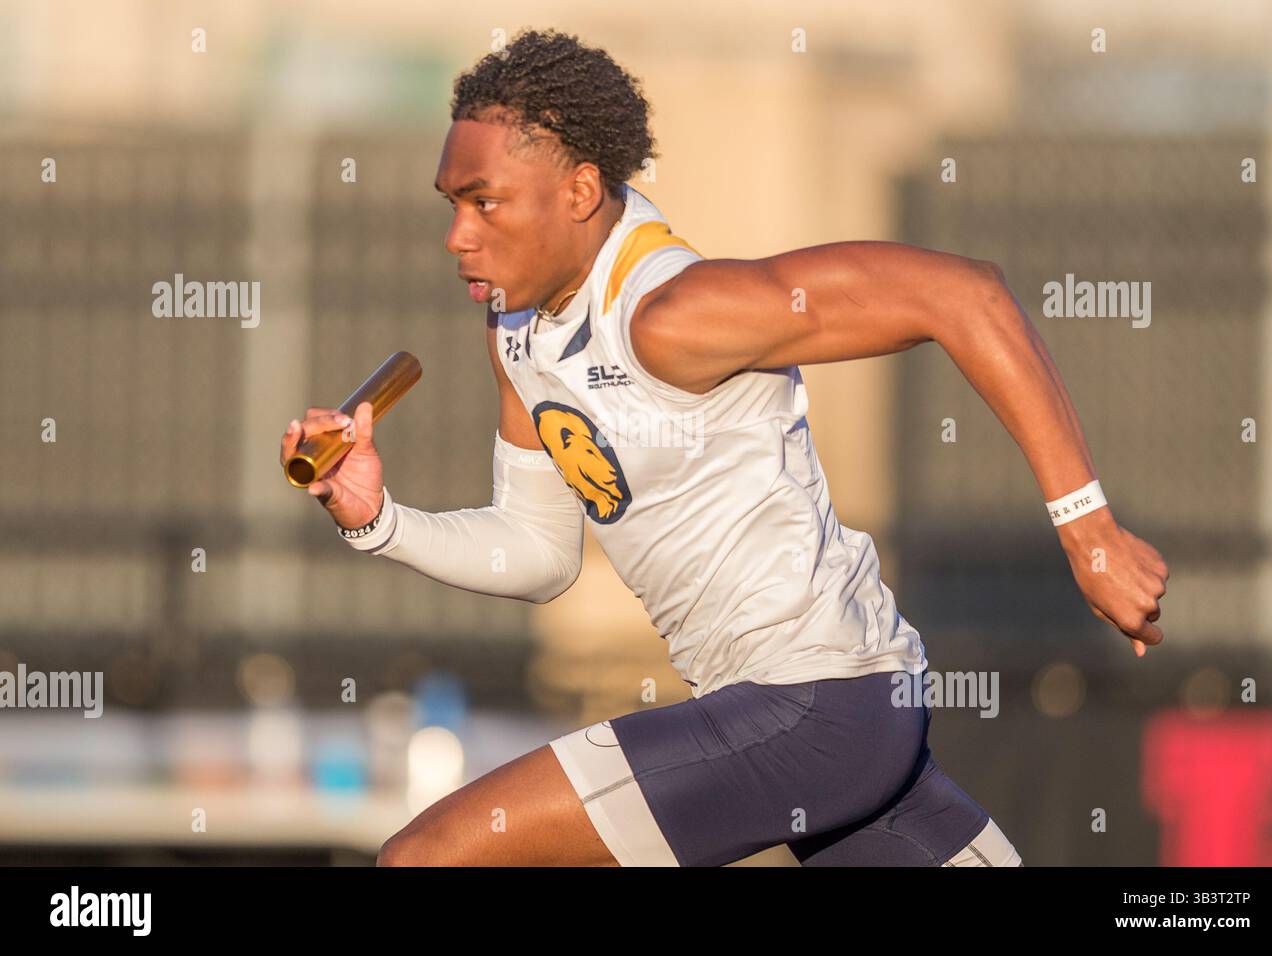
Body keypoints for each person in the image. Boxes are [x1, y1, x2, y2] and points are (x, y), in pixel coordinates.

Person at [279, 29, 1168, 866]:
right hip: (823, 726)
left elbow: (965, 296)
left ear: (581, 194)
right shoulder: (516, 325)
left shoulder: (675, 314)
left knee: (424, 858)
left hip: (819, 707)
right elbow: (541, 555)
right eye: (452, 204)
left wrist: (1087, 530)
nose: (457, 234)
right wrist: (379, 522)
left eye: (485, 203)